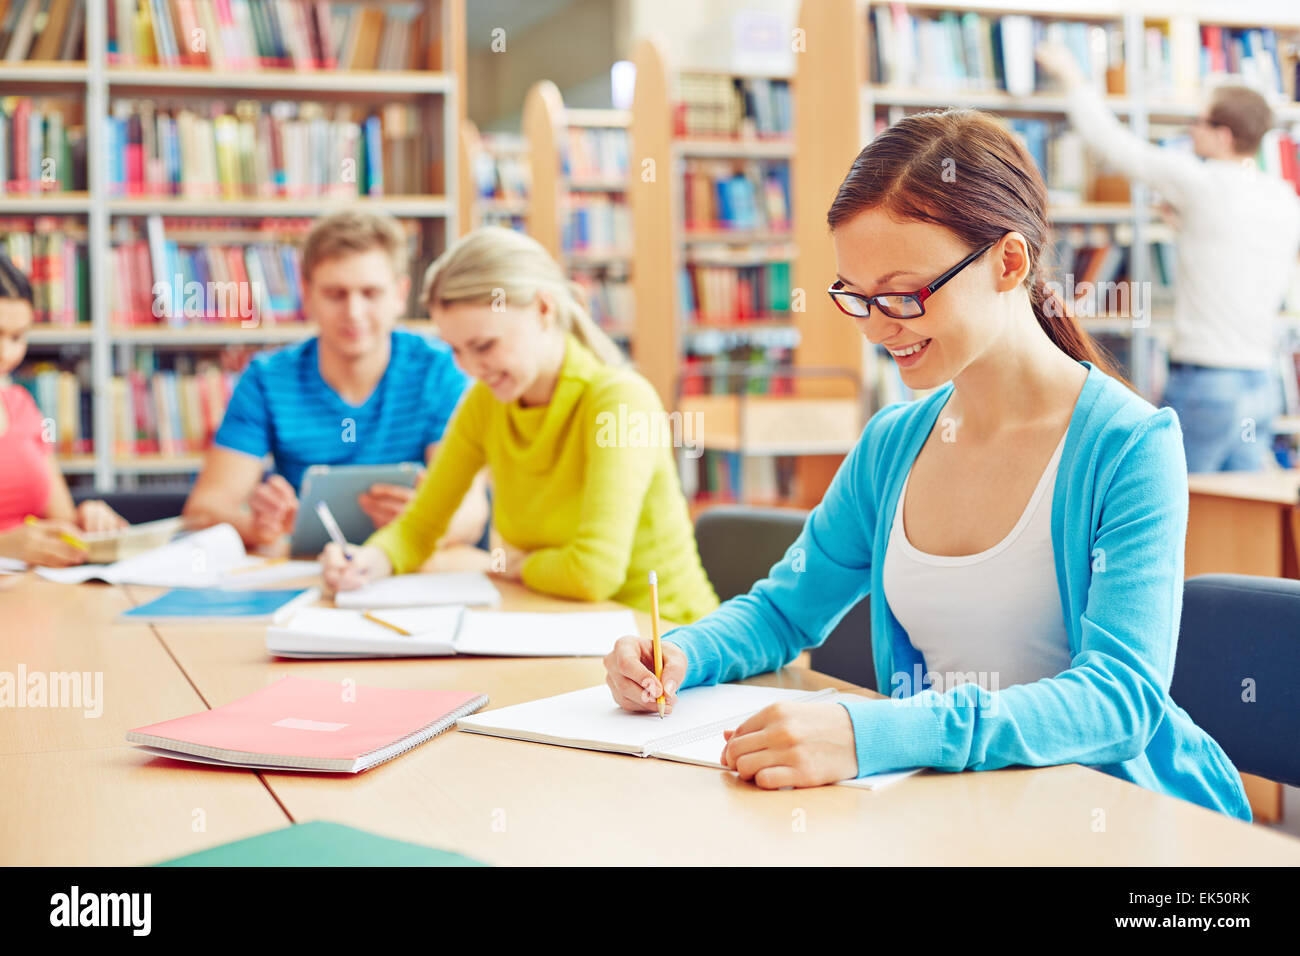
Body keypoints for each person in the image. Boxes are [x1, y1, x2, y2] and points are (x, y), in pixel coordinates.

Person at [603, 109, 1251, 820]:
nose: (880, 326)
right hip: (954, 808)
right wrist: (681, 655)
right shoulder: (893, 444)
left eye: (904, 292)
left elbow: (1118, 700)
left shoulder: (1129, 447)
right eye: (857, 295)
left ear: (1009, 262)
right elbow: (785, 611)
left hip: (1113, 813)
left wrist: (873, 731)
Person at [321, 227, 719, 625]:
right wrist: (365, 561)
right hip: (564, 628)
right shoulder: (487, 402)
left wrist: (515, 565)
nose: (471, 368)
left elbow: (593, 574)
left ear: (544, 309)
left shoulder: (619, 401)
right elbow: (418, 529)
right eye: (457, 350)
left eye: (484, 346)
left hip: (666, 643)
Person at [1037, 41, 1300, 471]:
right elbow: (1243, 253)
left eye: (1197, 121)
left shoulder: (1200, 182)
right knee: (1240, 517)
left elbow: (1114, 146)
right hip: (1260, 381)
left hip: (1206, 381)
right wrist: (1189, 226)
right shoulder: (1284, 198)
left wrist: (1072, 77)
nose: (1189, 129)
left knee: (1174, 499)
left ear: (1223, 135)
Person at [183, 210, 489, 550]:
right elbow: (203, 510)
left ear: (400, 294)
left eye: (370, 293)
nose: (353, 313)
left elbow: (471, 512)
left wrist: (422, 524)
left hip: (409, 569)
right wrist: (255, 526)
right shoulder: (267, 379)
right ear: (307, 294)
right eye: (335, 294)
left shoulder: (440, 372)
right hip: (308, 568)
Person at [0, 253, 126, 566]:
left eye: (17, 337)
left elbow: (61, 520)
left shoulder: (21, 406)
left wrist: (84, 520)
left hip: (39, 594)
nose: (5, 353)